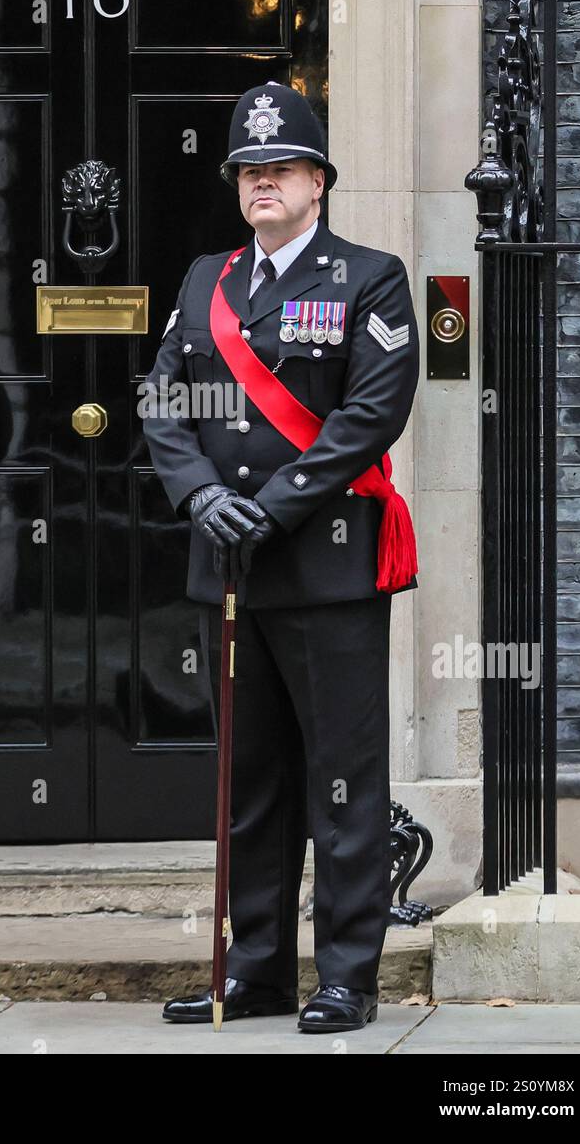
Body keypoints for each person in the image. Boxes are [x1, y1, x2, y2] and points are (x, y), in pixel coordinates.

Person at [141, 81, 419, 1032]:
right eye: (248, 172)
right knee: (249, 784)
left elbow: (371, 411)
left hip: (327, 566)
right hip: (229, 567)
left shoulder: (369, 278)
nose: (262, 183)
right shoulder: (203, 282)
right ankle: (253, 972)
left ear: (318, 183)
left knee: (342, 783)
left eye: (280, 169)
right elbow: (160, 401)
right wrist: (202, 495)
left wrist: (273, 504)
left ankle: (346, 975)